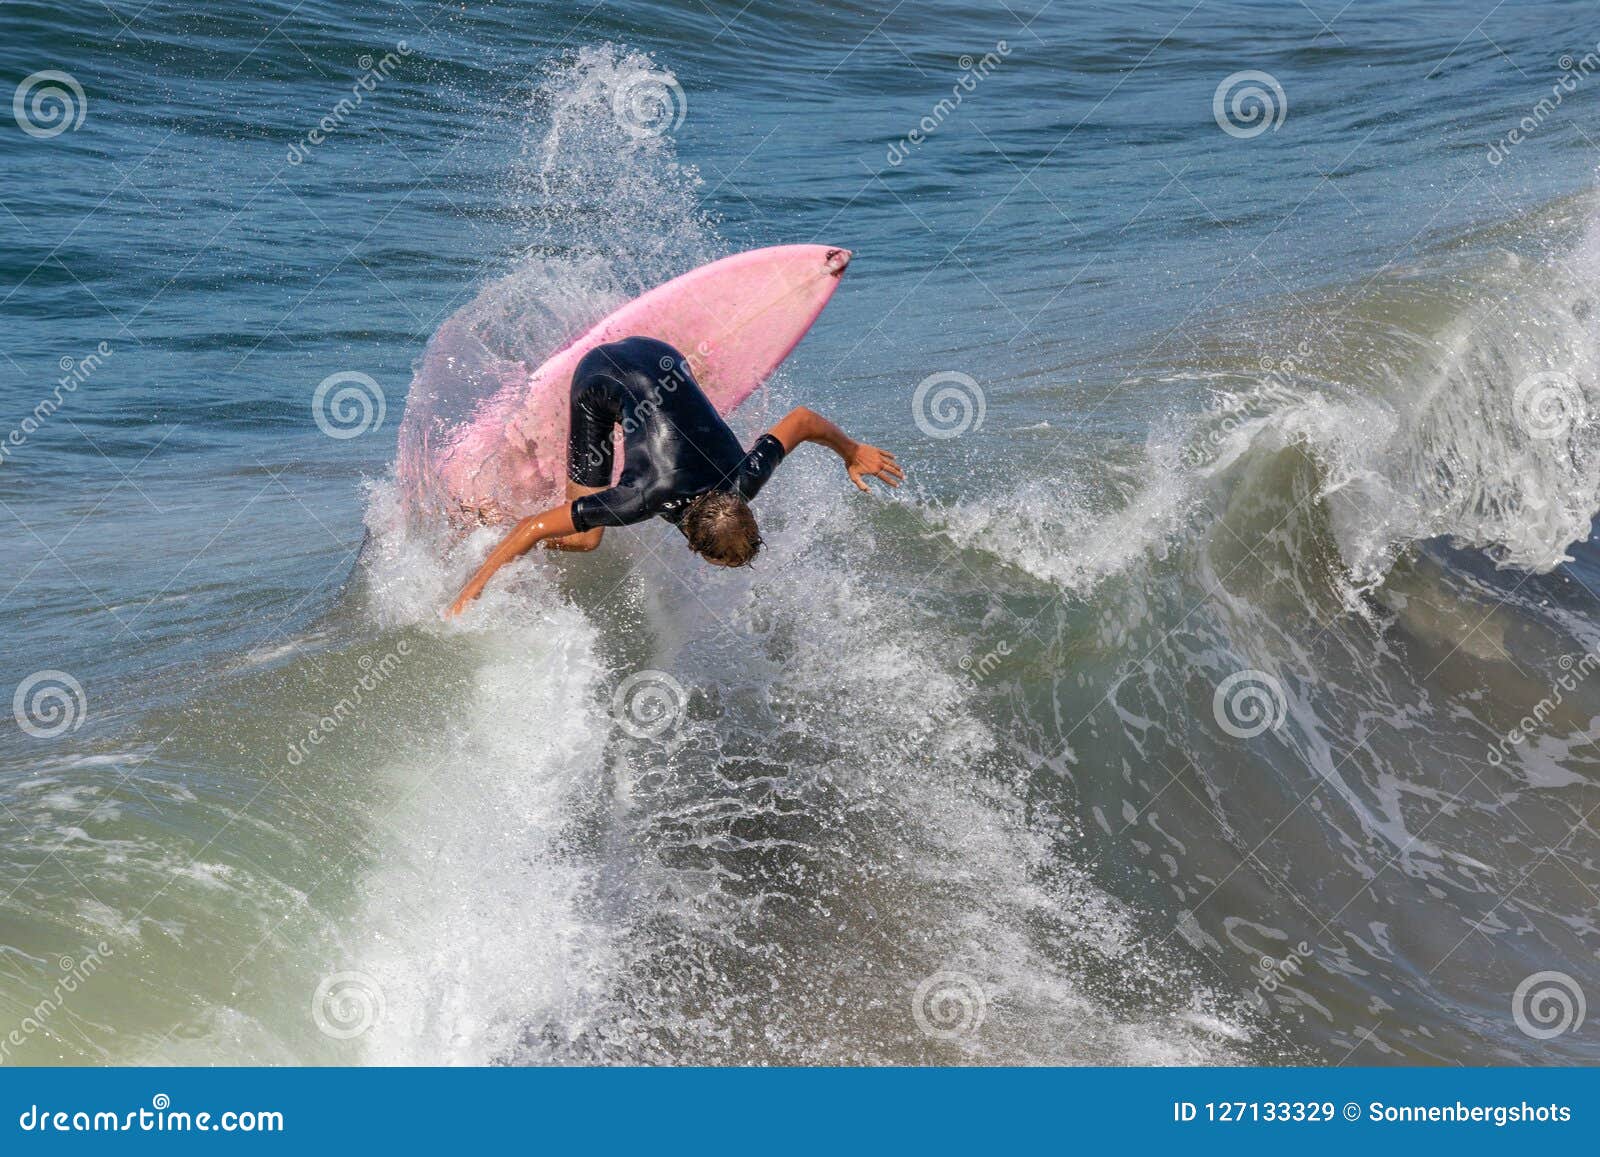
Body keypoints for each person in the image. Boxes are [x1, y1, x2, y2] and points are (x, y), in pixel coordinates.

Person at [445, 336, 902, 615]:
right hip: (598, 376)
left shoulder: (745, 480)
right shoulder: (642, 498)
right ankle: (489, 520)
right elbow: (534, 526)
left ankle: (663, 396)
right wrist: (472, 593)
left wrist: (852, 451)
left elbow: (801, 420)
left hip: (660, 352)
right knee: (585, 539)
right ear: (693, 546)